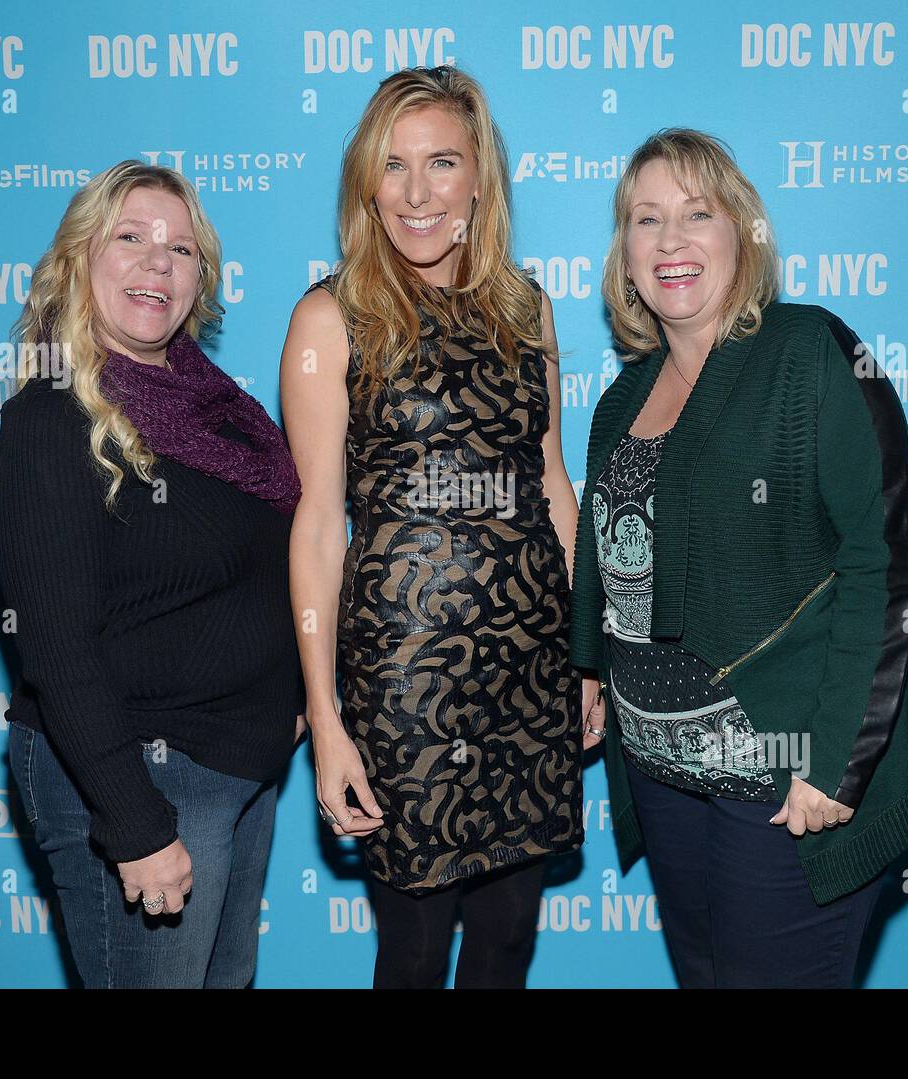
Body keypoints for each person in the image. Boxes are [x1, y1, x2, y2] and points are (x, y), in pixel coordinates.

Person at [570, 128, 908, 988]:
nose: (670, 240)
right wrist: (586, 667)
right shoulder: (621, 396)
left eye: (697, 214)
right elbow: (610, 564)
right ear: (624, 256)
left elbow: (881, 571)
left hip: (783, 778)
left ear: (742, 232)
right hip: (664, 777)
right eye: (645, 219)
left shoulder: (812, 352)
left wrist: (836, 760)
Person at [281, 66, 588, 989]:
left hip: (531, 676)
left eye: (442, 162)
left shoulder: (528, 310)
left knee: (505, 946)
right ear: (366, 185)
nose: (417, 193)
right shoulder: (330, 318)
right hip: (405, 689)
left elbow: (551, 487)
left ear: (479, 179)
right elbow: (317, 527)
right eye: (394, 165)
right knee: (413, 953)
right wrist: (328, 719)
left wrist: (583, 657)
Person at [0, 159, 305, 988]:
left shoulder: (218, 408)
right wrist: (133, 823)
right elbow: (55, 647)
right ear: (79, 258)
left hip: (239, 764)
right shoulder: (51, 416)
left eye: (179, 248)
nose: (156, 262)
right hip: (141, 774)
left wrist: (296, 696)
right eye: (128, 238)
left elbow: (259, 571)